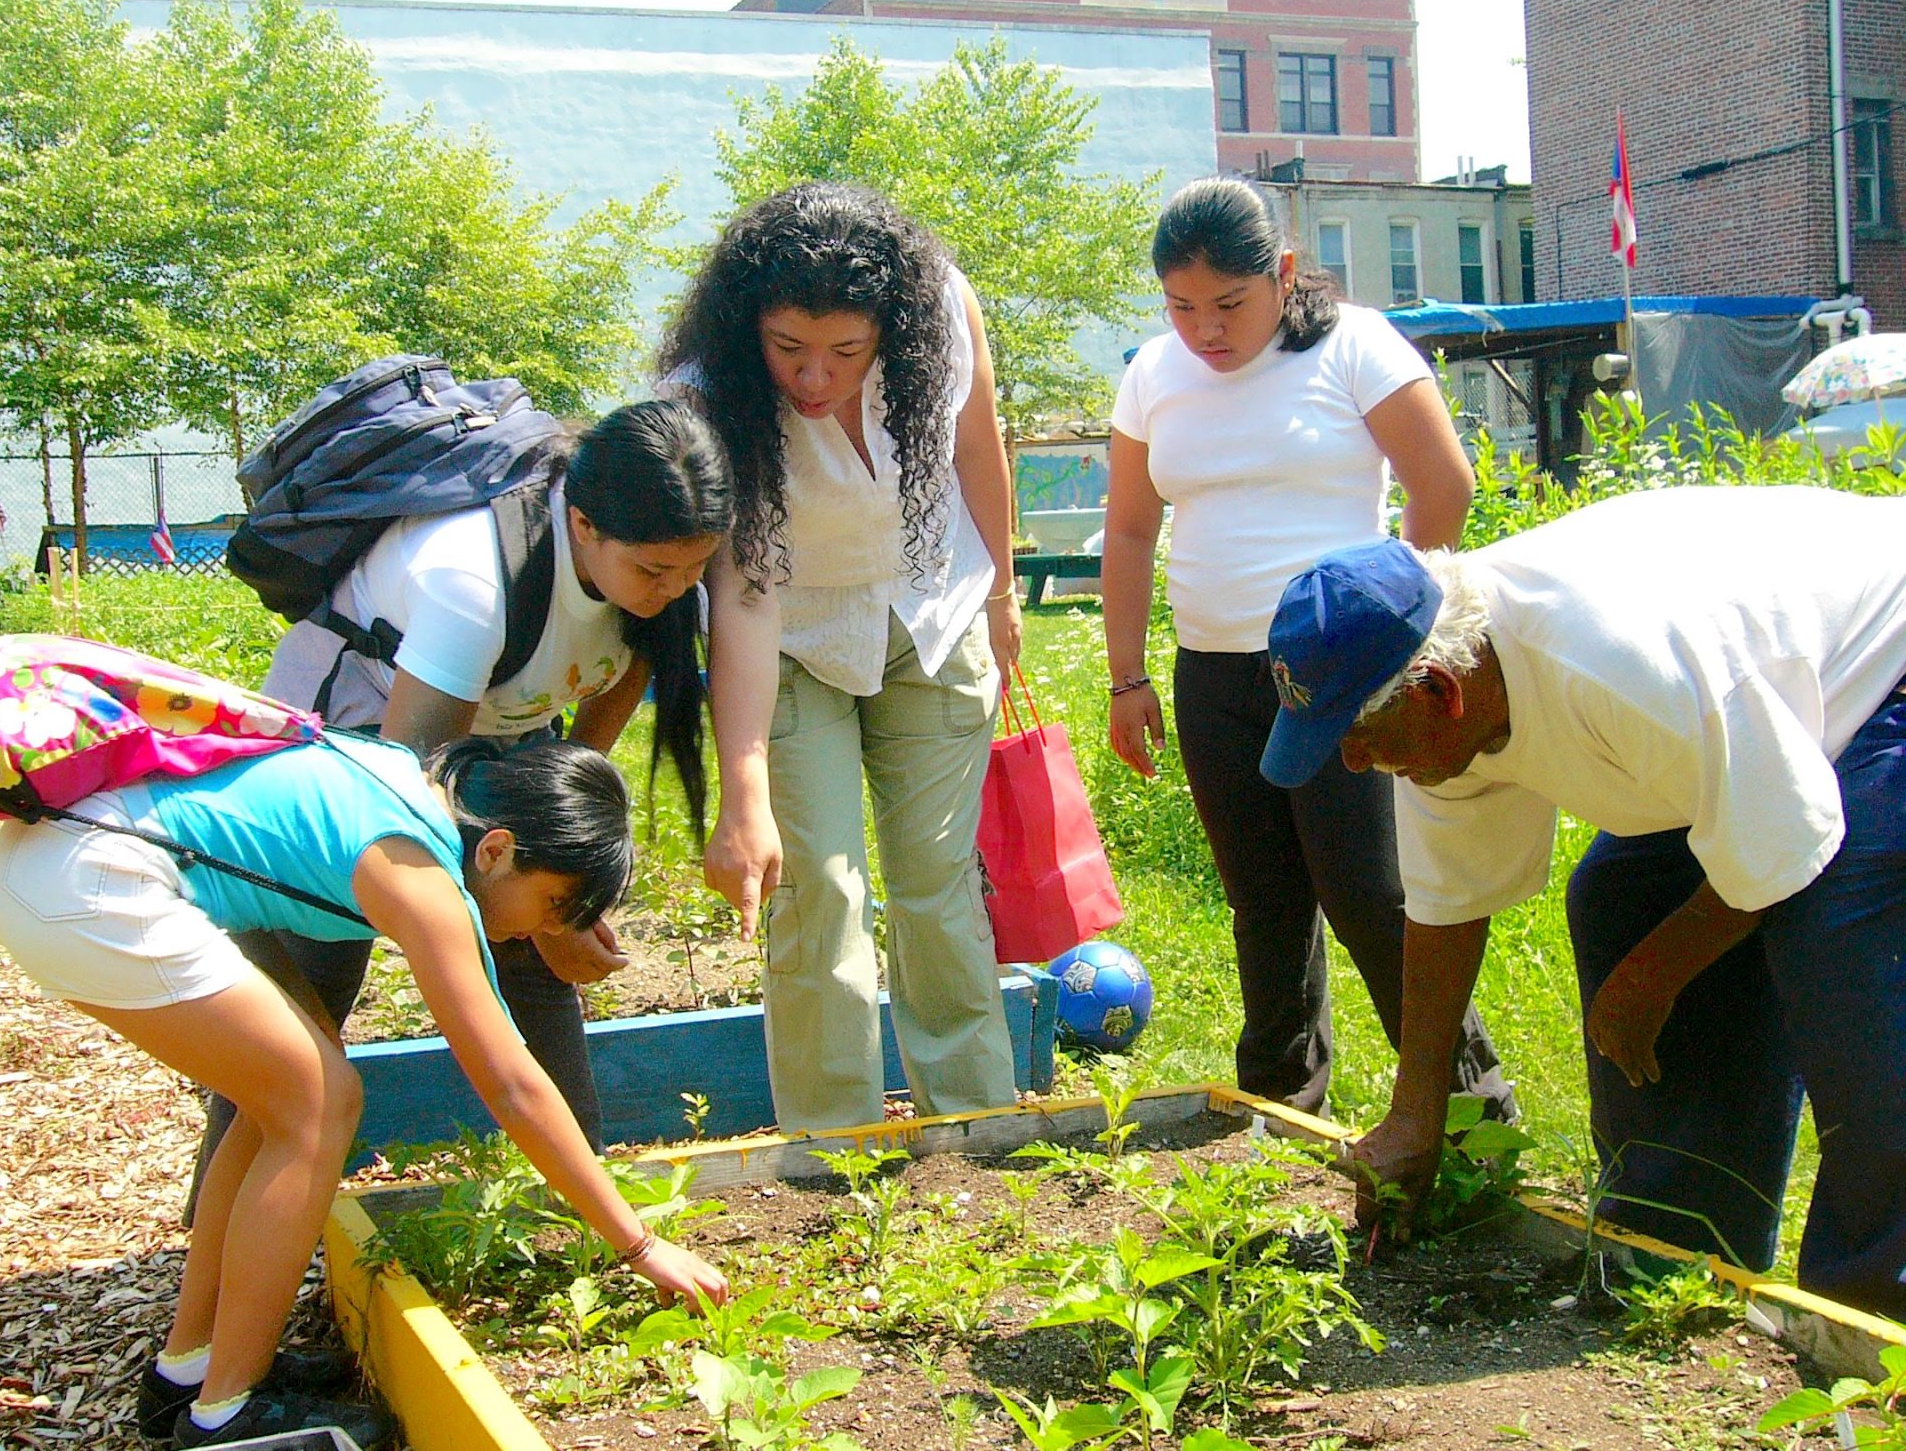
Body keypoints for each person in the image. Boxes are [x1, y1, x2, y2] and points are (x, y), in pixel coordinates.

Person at [0, 727, 731, 1448]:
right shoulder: (418, 873)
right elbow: (513, 1086)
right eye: (555, 905)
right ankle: (225, 1418)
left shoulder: (406, 786)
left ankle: (189, 1372)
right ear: (498, 850)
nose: (547, 929)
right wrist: (640, 1245)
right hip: (97, 882)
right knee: (319, 1102)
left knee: (289, 1090)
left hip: (74, 859)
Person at [1261, 485, 1906, 1318]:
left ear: (1438, 692)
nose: (1353, 765)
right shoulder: (1440, 690)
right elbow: (1448, 904)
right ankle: (1675, 1251)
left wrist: (1651, 978)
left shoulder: (1621, 668)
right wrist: (1415, 1114)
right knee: (1618, 900)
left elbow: (1784, 839)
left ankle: (1872, 1320)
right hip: (1751, 712)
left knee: (1839, 940)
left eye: (1358, 738)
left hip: (1882, 661)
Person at [193, 399, 731, 1184]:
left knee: (531, 939)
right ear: (583, 524)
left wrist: (555, 898)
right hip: (358, 745)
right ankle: (229, 1211)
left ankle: (570, 1202)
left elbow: (582, 744)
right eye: (656, 571)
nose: (677, 590)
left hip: (490, 732)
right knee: (312, 986)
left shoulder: (663, 592)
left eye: (694, 569)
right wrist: (530, 914)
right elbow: (408, 796)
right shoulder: (472, 582)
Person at [1102, 176, 1512, 1120]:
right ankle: (1282, 1105)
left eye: (1229, 303)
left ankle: (1471, 1113)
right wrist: (1127, 678)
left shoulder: (1354, 345)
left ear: (1283, 273)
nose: (1206, 329)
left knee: (1371, 894)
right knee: (1264, 901)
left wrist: (1394, 633)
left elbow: (1443, 485)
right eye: (1181, 306)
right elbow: (1128, 529)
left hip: (1344, 675)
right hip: (1213, 670)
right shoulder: (1154, 374)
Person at [658, 181, 1021, 1133]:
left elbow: (977, 445)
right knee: (818, 889)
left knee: (938, 881)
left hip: (931, 614)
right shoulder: (704, 394)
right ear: (749, 328)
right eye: (788, 348)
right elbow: (742, 594)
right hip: (788, 642)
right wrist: (743, 795)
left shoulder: (942, 304)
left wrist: (1002, 591)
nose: (814, 376)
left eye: (846, 352)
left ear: (891, 327)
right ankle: (833, 1145)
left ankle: (974, 1125)